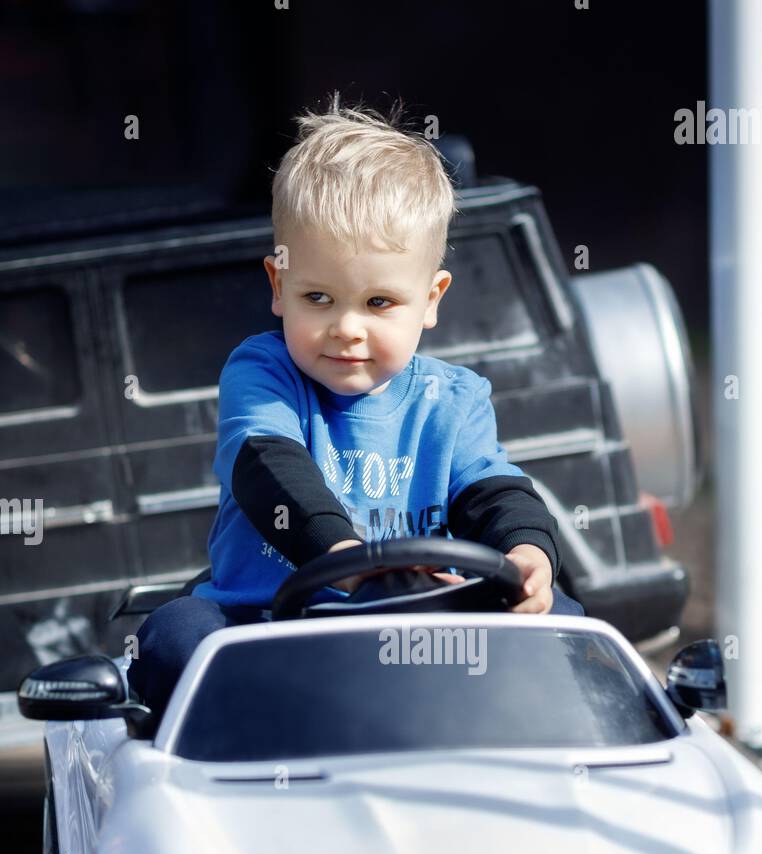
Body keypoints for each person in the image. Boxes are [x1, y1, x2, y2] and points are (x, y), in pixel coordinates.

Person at [127, 92, 585, 721]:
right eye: (319, 296)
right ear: (278, 286)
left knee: (564, 618)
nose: (346, 327)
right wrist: (339, 554)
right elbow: (266, 464)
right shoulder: (262, 372)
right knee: (175, 636)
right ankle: (246, 748)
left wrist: (529, 555)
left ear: (431, 298)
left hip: (420, 633)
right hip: (267, 628)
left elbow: (495, 490)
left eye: (377, 304)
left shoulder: (453, 399)